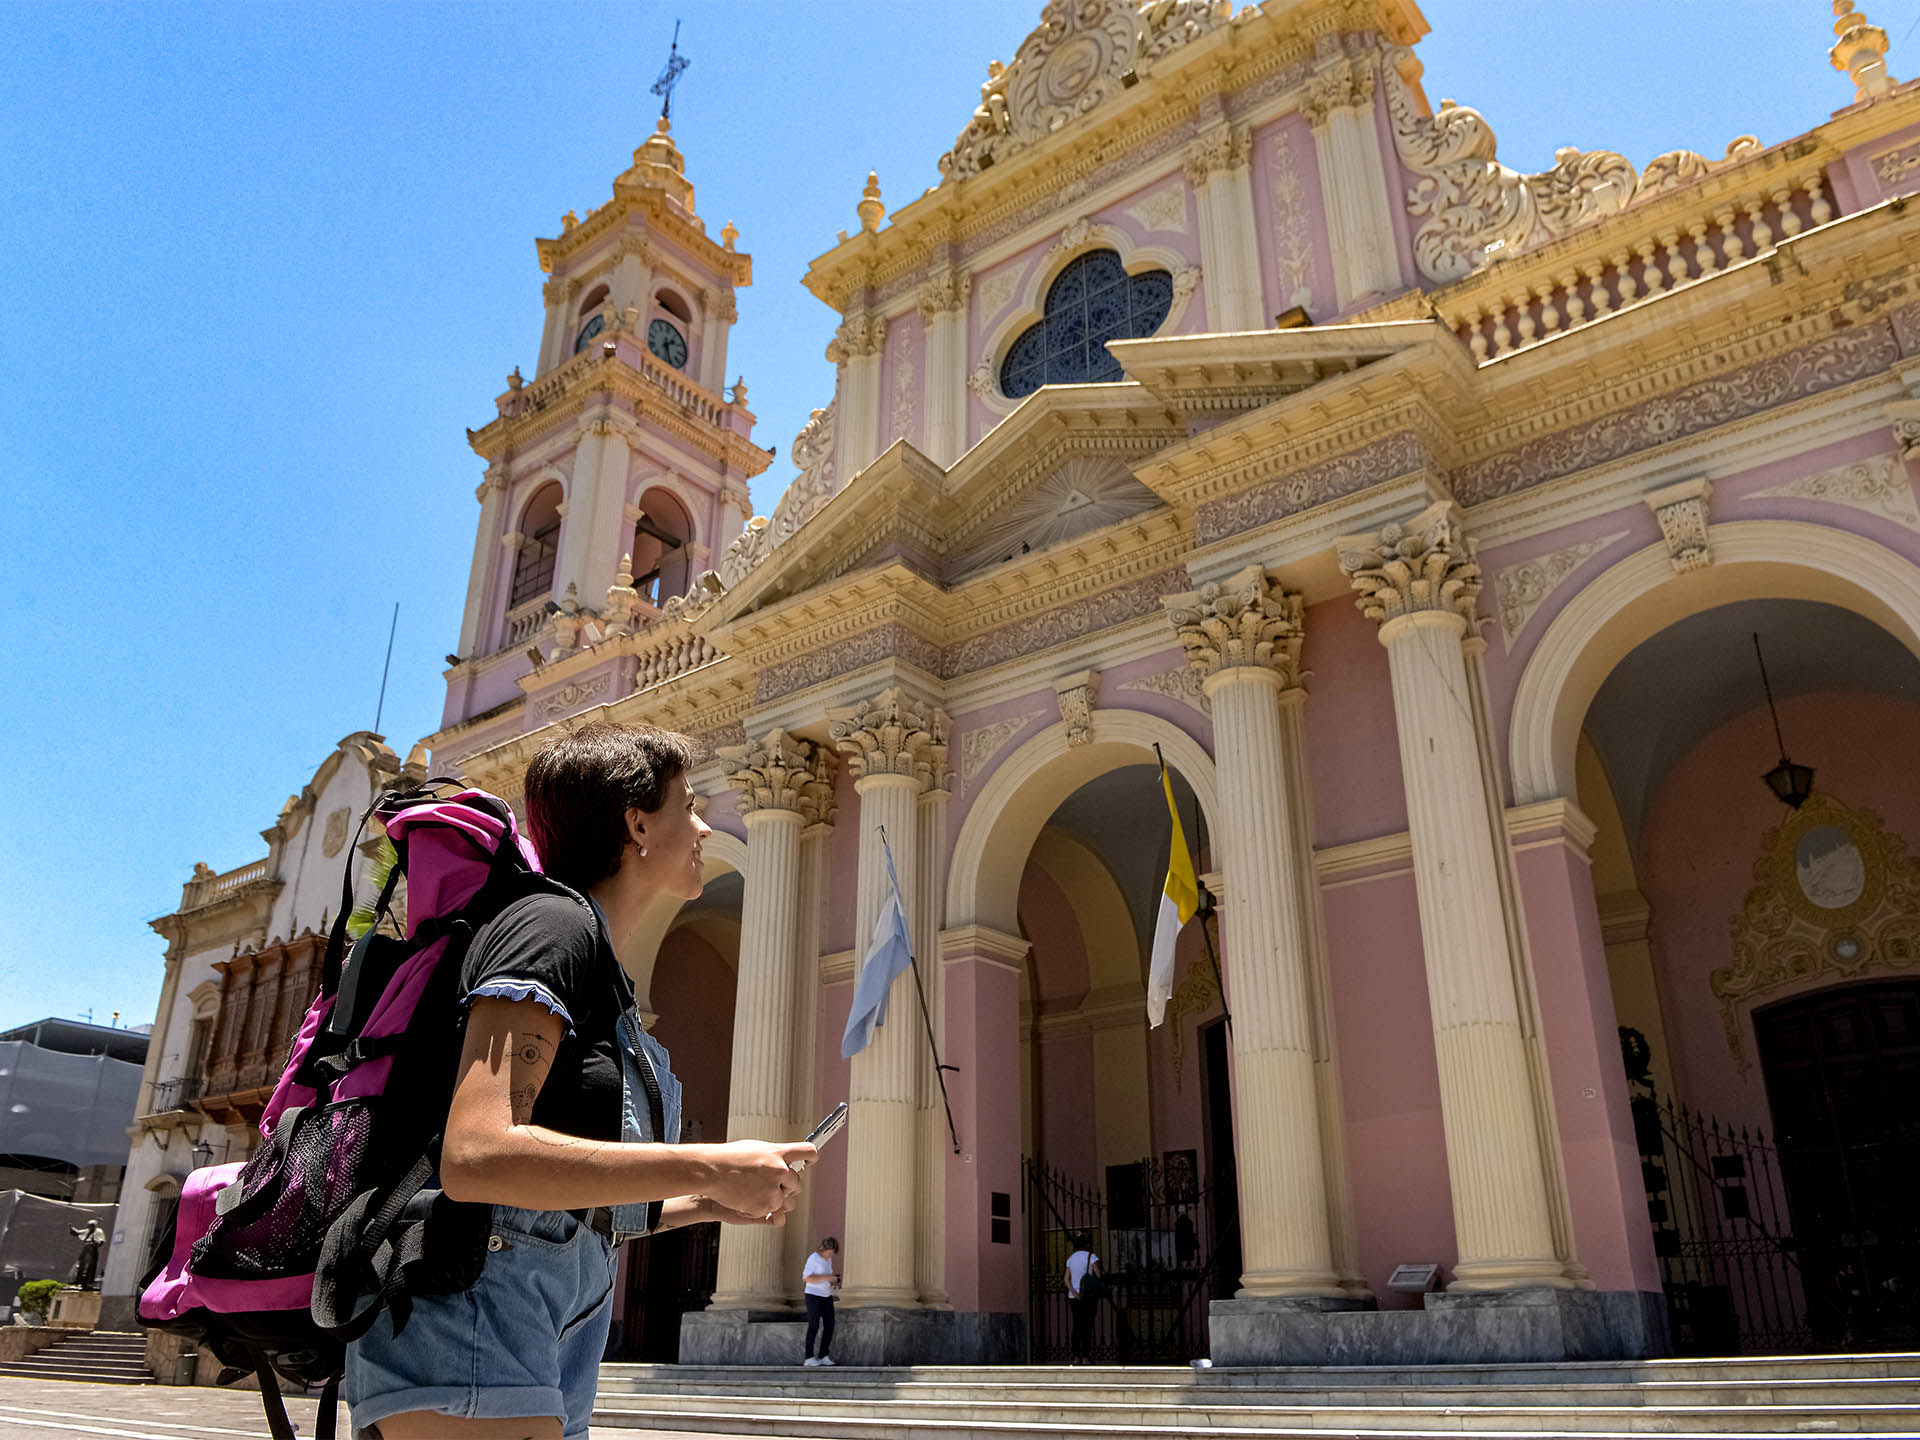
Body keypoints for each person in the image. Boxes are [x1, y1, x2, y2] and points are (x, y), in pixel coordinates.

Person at [346, 722, 816, 1440]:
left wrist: (707, 1199)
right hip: (470, 1312)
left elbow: (563, 1200)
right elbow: (478, 1158)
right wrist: (716, 1160)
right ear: (636, 825)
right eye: (686, 805)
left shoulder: (596, 958)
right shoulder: (550, 928)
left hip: (543, 1319)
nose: (702, 823)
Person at [801, 1236, 840, 1367]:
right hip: (813, 1295)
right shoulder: (813, 1258)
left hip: (826, 1296)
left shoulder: (828, 1260)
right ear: (824, 1249)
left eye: (832, 1253)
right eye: (829, 1252)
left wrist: (832, 1281)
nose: (830, 1255)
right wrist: (828, 1277)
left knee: (830, 1325)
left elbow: (824, 1278)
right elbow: (807, 1278)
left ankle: (824, 1355)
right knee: (814, 1325)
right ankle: (809, 1357)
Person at [1064, 1232, 1102, 1364]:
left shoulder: (1071, 1258)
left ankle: (1075, 1356)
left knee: (1077, 1325)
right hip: (1089, 1296)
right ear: (1086, 1244)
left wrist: (1074, 1293)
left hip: (1074, 1298)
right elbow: (1098, 1275)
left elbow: (1066, 1279)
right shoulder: (1091, 1257)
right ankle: (1085, 1356)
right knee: (1087, 1326)